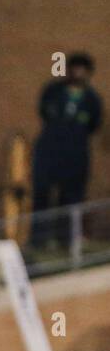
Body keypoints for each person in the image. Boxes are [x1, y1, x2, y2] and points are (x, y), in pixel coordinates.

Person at [32, 53, 102, 246]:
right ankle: (39, 239)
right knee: (42, 194)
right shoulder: (53, 91)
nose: (78, 72)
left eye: (82, 68)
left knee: (71, 197)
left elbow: (94, 124)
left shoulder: (92, 99)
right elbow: (44, 112)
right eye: (75, 67)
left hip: (76, 154)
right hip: (49, 151)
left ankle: (66, 240)